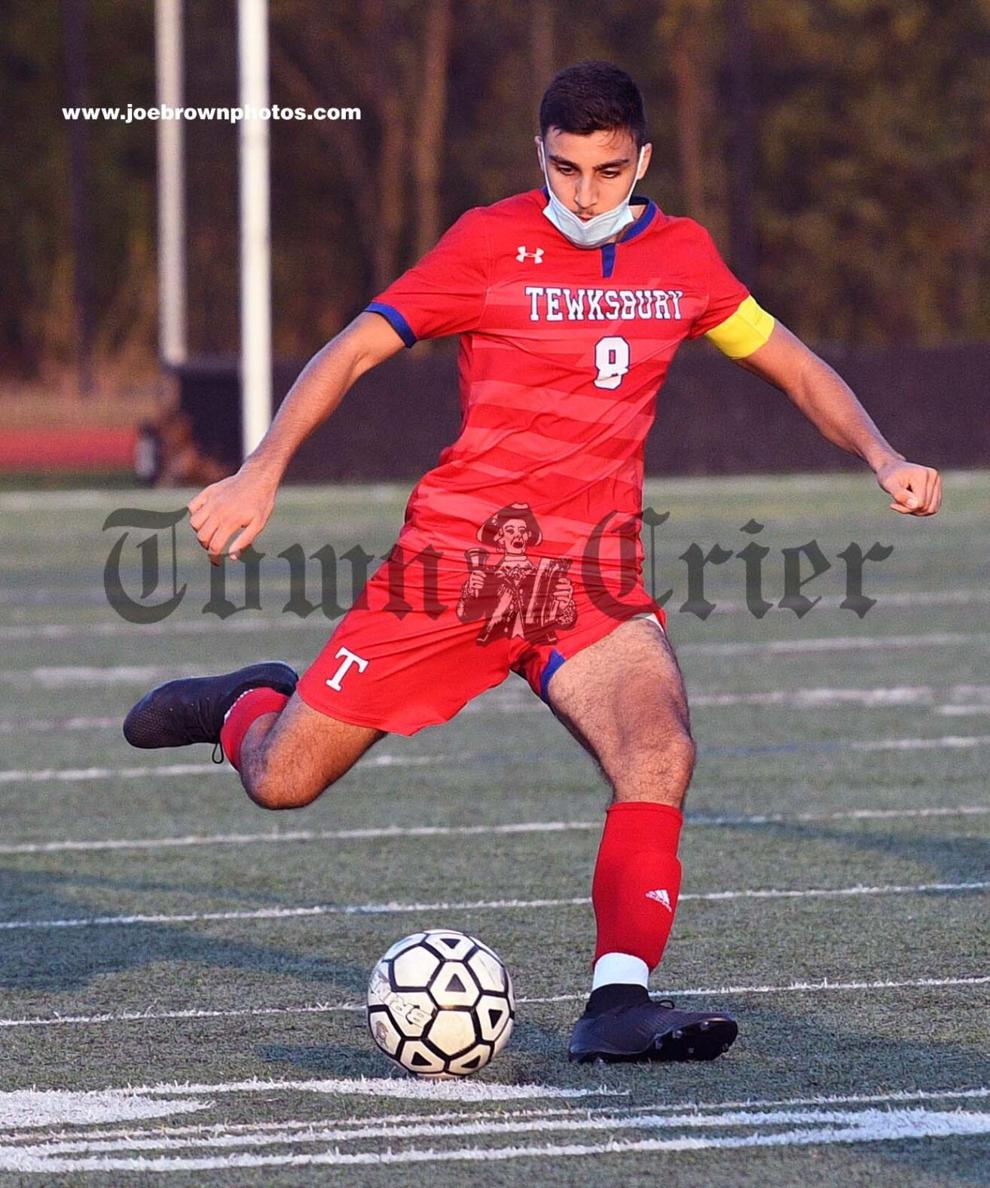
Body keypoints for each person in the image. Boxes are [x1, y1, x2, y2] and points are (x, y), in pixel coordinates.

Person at [124, 61, 942, 1065]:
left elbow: (795, 366)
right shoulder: (486, 243)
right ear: (539, 158)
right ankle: (245, 705)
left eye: (606, 173)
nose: (584, 196)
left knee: (660, 747)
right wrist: (260, 473)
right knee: (283, 781)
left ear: (643, 160)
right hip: (456, 569)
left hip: (591, 582)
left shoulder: (685, 260)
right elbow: (350, 350)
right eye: (564, 171)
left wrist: (882, 453)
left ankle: (617, 1001)